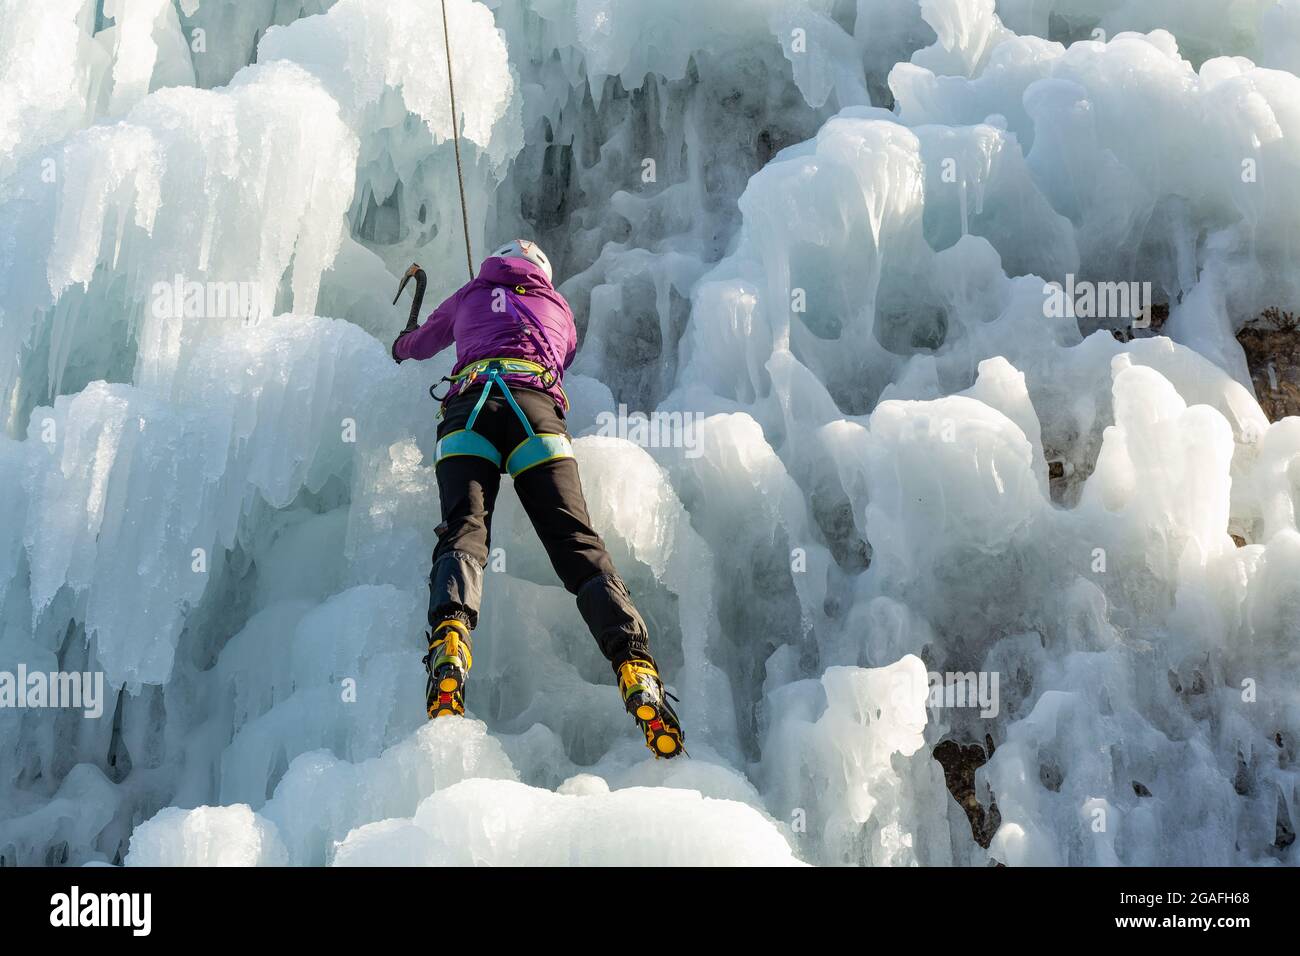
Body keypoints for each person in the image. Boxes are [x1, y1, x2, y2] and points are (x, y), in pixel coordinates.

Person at [392, 240, 685, 758]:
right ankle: (634, 665)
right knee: (576, 543)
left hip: (470, 411)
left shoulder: (471, 292)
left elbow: (419, 345)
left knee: (464, 530)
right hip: (536, 417)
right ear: (543, 274)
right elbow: (562, 354)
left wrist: (403, 342)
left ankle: (451, 639)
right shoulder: (558, 308)